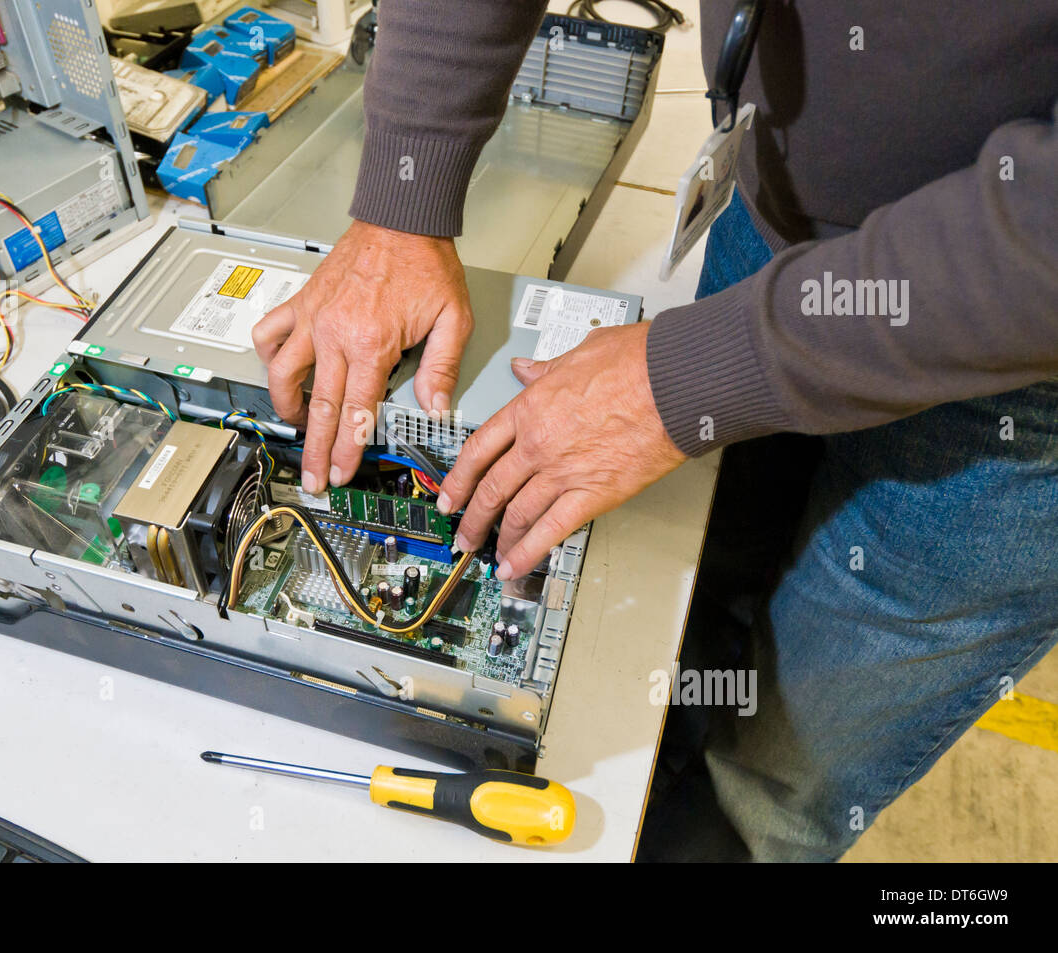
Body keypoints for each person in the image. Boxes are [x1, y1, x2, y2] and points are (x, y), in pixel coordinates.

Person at [251, 0, 1058, 860]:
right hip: (775, 207)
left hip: (1019, 387)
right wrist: (402, 198)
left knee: (776, 779)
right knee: (695, 596)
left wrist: (689, 377)